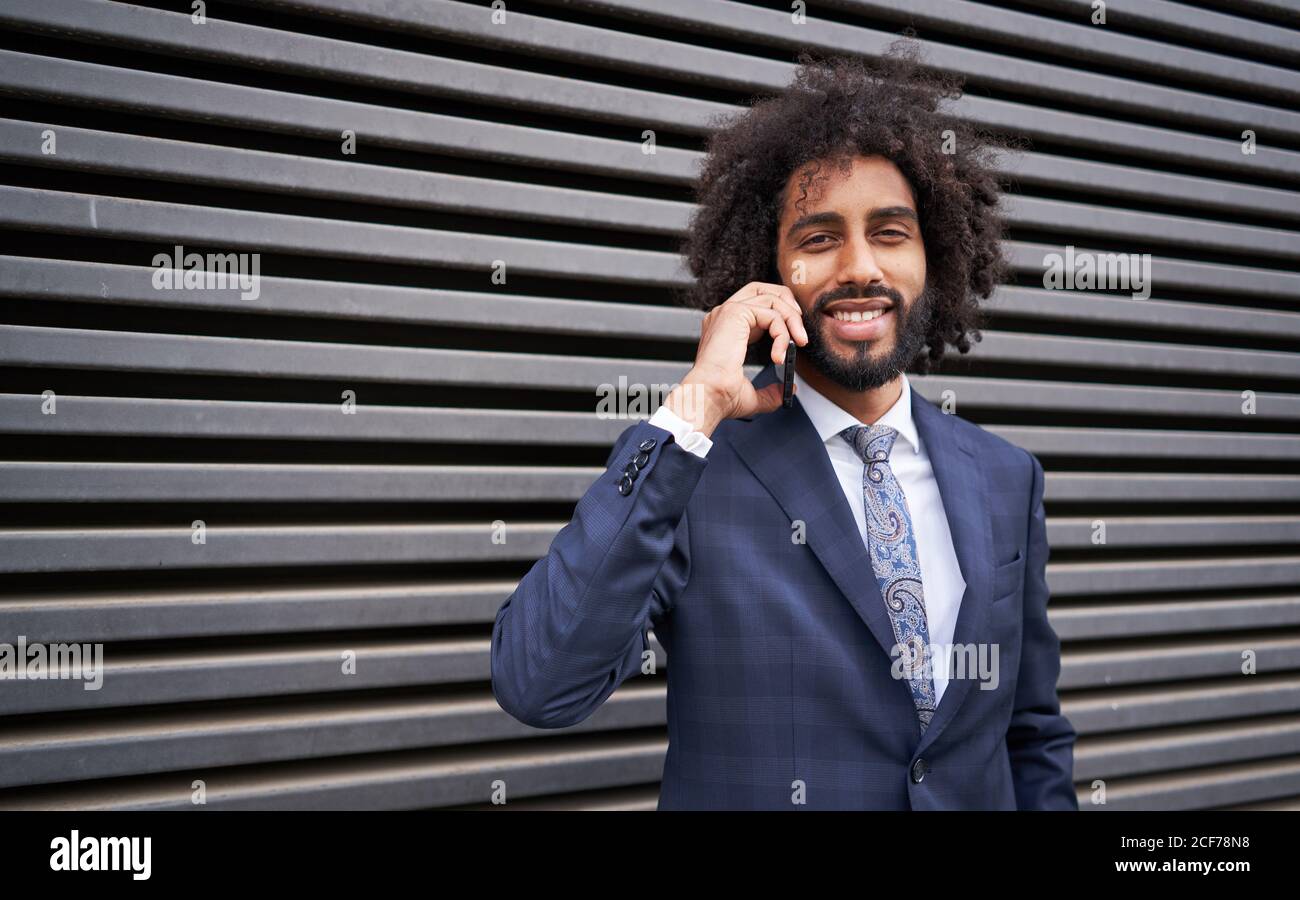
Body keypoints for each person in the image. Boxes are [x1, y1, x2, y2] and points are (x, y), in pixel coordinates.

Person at [490, 45, 1078, 810]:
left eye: (891, 232)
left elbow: (1030, 732)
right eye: (818, 238)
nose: (859, 267)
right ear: (765, 271)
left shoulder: (1005, 477)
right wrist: (695, 403)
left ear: (935, 257)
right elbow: (538, 684)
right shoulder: (691, 468)